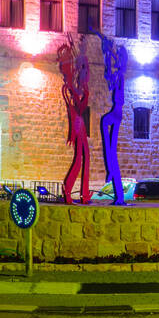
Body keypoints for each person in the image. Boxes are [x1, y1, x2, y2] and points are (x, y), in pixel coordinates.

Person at [97, 31, 128, 205]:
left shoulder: (121, 76)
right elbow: (109, 76)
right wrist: (108, 54)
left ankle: (110, 169)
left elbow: (115, 73)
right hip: (116, 114)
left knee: (103, 122)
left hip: (117, 114)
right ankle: (111, 170)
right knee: (112, 152)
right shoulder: (118, 77)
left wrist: (111, 52)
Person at [59, 41, 91, 204]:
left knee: (86, 157)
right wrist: (84, 92)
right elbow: (79, 107)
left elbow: (82, 105)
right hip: (78, 125)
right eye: (82, 68)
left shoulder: (74, 87)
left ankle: (84, 193)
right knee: (79, 159)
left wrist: (84, 89)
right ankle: (69, 189)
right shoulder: (69, 88)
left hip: (81, 125)